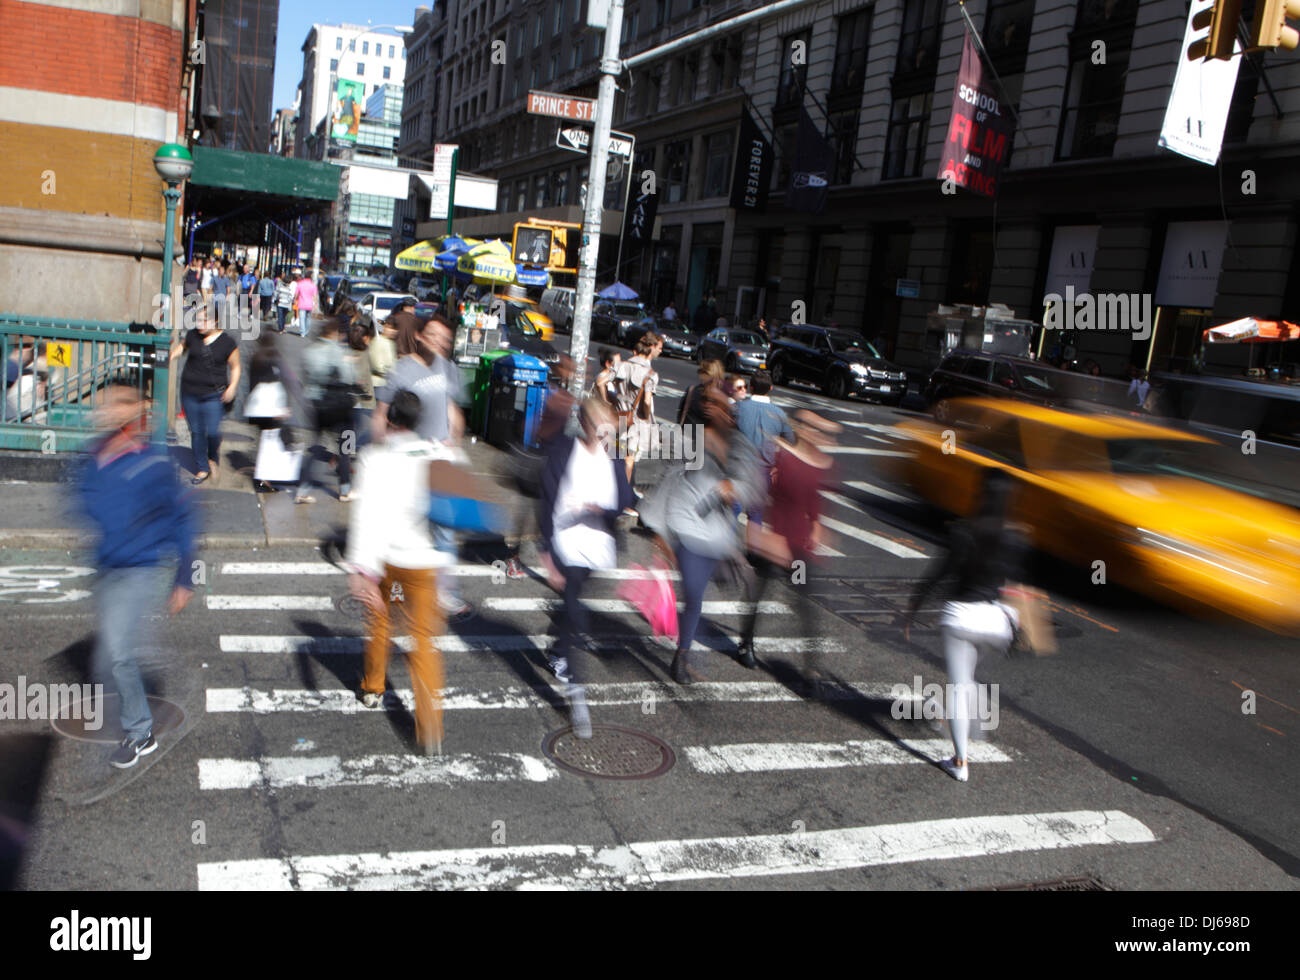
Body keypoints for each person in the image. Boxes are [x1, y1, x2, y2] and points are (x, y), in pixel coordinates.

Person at [71, 382, 196, 769]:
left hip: (140, 569)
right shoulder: (93, 458)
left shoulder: (154, 465)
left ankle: (140, 733)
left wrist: (185, 576)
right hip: (108, 566)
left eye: (114, 404)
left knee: (119, 653)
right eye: (102, 405)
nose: (103, 411)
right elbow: (84, 503)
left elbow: (183, 519)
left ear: (132, 413)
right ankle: (131, 702)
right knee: (109, 656)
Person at [904, 470, 1028, 783]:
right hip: (995, 622)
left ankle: (960, 761)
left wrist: (910, 612)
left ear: (980, 494)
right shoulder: (1015, 537)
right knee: (969, 679)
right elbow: (1014, 585)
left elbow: (937, 575)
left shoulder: (963, 531)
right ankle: (971, 723)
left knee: (960, 685)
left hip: (960, 617)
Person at [346, 390, 452, 756]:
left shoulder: (375, 458)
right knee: (424, 641)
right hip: (425, 563)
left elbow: (365, 518)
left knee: (380, 622)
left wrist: (362, 569)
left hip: (390, 564)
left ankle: (373, 687)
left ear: (391, 420)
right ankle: (430, 727)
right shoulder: (435, 454)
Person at [639, 388, 761, 683]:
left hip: (718, 532)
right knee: (694, 595)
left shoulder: (739, 446)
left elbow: (752, 485)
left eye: (717, 403)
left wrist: (735, 490)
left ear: (729, 413)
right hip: (687, 526)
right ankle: (682, 657)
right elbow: (670, 477)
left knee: (741, 584)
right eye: (706, 402)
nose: (710, 407)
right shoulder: (692, 440)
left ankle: (736, 633)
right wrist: (659, 528)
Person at [538, 397, 636, 737]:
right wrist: (547, 554)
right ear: (583, 422)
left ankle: (557, 645)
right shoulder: (564, 450)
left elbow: (625, 502)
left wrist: (597, 508)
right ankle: (576, 696)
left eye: (606, 426)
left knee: (571, 604)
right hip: (566, 542)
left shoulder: (614, 456)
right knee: (576, 614)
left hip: (596, 547)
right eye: (595, 424)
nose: (601, 432)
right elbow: (546, 500)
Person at [374, 312, 472, 623]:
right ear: (419, 336)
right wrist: (378, 453)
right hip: (409, 462)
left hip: (440, 460)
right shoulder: (402, 370)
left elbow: (452, 408)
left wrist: (455, 438)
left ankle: (445, 594)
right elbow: (381, 414)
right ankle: (396, 591)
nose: (440, 343)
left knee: (443, 529)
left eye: (445, 340)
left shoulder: (448, 368)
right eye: (434, 336)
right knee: (405, 530)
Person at [738, 410, 839, 679]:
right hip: (774, 544)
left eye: (823, 431)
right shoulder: (781, 456)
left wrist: (817, 527)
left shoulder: (820, 463)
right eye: (812, 427)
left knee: (805, 606)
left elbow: (815, 501)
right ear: (800, 429)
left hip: (798, 549)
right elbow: (759, 493)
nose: (819, 434)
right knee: (758, 598)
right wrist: (756, 533)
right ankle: (745, 643)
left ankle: (810, 668)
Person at [170, 301, 240, 485]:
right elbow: (182, 348)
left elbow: (236, 366)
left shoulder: (227, 342)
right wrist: (170, 355)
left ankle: (213, 456)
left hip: (213, 395)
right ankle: (202, 468)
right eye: (198, 320)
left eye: (204, 321)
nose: (200, 324)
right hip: (190, 392)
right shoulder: (193, 335)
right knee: (197, 431)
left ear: (215, 321)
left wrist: (232, 386)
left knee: (213, 431)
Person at [296, 317, 359, 503]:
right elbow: (349, 377)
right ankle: (345, 489)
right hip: (340, 407)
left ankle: (303, 490)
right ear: (335, 334)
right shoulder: (338, 351)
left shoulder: (310, 352)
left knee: (314, 449)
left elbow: (306, 378)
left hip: (318, 406)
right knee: (346, 447)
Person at [734, 370, 794, 527]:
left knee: (731, 510)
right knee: (755, 515)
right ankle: (753, 550)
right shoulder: (779, 414)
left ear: (751, 388)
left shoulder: (738, 407)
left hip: (739, 466)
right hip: (763, 470)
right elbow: (790, 443)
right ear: (771, 389)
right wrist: (778, 465)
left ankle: (722, 548)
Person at [245, 331, 291, 493]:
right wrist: (282, 407)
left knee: (265, 442)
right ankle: (263, 478)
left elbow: (252, 383)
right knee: (268, 443)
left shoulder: (255, 358)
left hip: (257, 407)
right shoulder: (273, 358)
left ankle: (264, 477)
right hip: (270, 407)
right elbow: (281, 382)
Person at [614, 330, 661, 487]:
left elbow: (607, 384)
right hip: (635, 420)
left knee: (616, 455)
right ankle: (622, 494)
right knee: (629, 458)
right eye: (658, 348)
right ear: (650, 348)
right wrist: (646, 417)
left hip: (619, 415)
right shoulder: (650, 373)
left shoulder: (623, 366)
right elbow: (647, 402)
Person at [293, 268, 318, 337]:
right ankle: (306, 331)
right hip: (309, 304)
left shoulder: (300, 284)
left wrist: (295, 300)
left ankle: (302, 332)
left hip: (302, 303)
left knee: (302, 318)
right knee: (308, 318)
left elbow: (296, 294)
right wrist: (316, 304)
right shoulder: (313, 285)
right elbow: (315, 296)